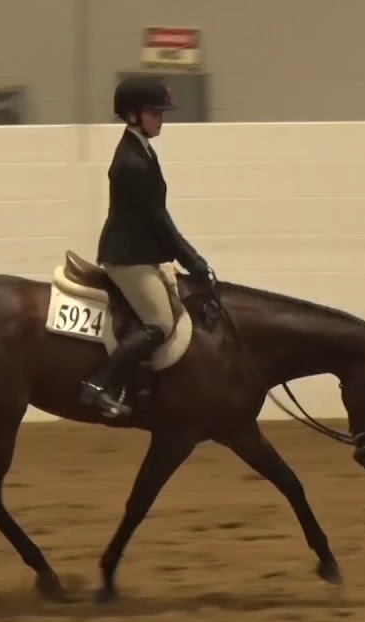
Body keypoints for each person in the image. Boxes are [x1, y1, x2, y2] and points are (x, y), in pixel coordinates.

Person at [79, 75, 217, 418]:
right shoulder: (132, 163)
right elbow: (157, 218)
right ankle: (99, 386)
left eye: (161, 113)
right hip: (128, 257)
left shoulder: (142, 150)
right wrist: (193, 260)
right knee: (159, 323)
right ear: (132, 115)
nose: (161, 120)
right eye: (155, 113)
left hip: (142, 252)